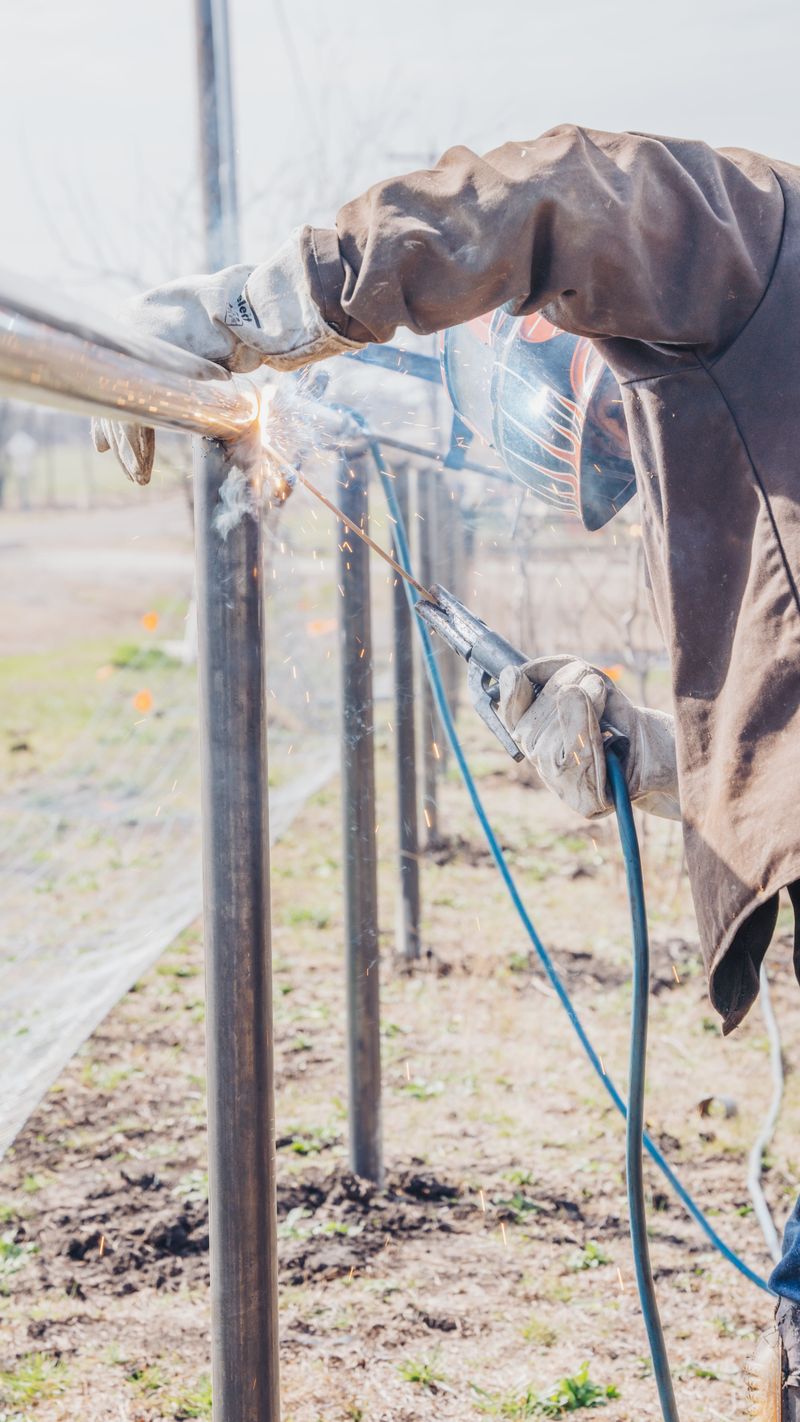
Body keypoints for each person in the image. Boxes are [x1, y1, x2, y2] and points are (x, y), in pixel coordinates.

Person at [93, 123, 800, 1416]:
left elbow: (557, 186)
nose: (631, 444)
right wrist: (654, 758)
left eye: (617, 426)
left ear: (565, 322)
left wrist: (264, 309)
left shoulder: (752, 243)